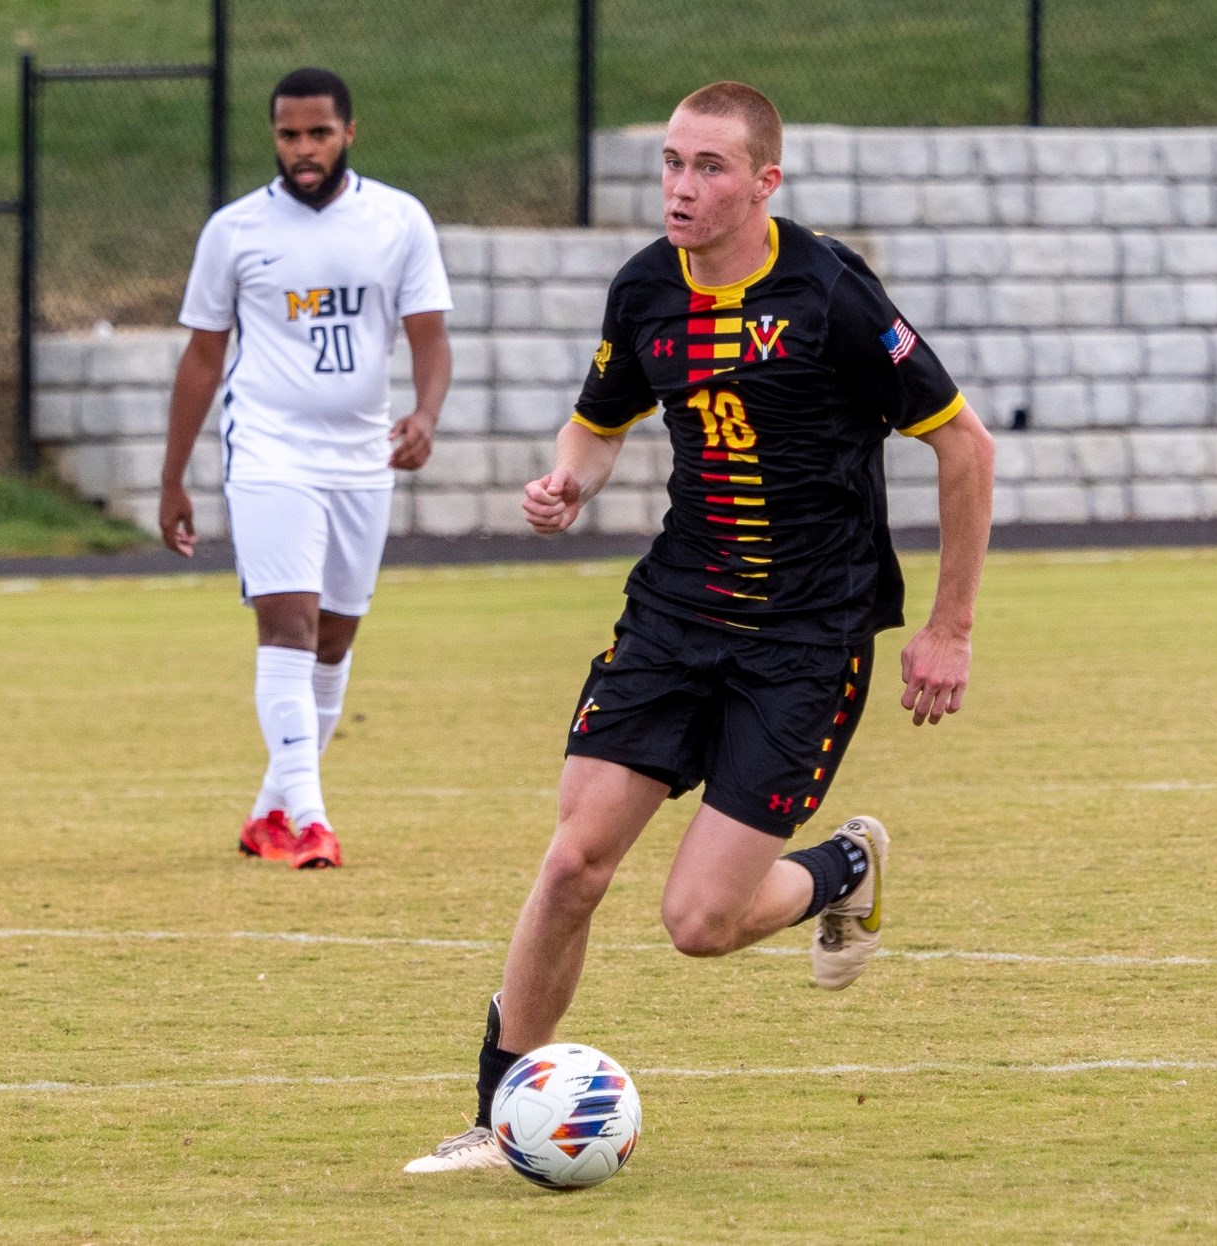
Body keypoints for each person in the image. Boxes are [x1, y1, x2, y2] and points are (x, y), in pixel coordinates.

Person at [403, 80, 995, 1172]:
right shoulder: (644, 290)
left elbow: (967, 448)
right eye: (673, 162)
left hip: (806, 639)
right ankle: (499, 1115)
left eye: (709, 167)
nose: (681, 185)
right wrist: (563, 486)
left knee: (699, 921)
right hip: (678, 612)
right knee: (575, 862)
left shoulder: (830, 295)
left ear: (766, 182)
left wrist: (947, 629)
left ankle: (841, 871)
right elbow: (598, 425)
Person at [158, 67, 453, 870]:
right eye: (288, 134)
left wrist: (424, 416)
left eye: (318, 133)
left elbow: (428, 335)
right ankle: (312, 821)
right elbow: (201, 356)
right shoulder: (235, 230)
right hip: (268, 453)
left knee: (333, 641)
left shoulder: (398, 220)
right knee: (287, 627)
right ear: (274, 138)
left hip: (362, 460)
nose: (303, 148)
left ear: (348, 133)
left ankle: (269, 810)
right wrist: (173, 477)